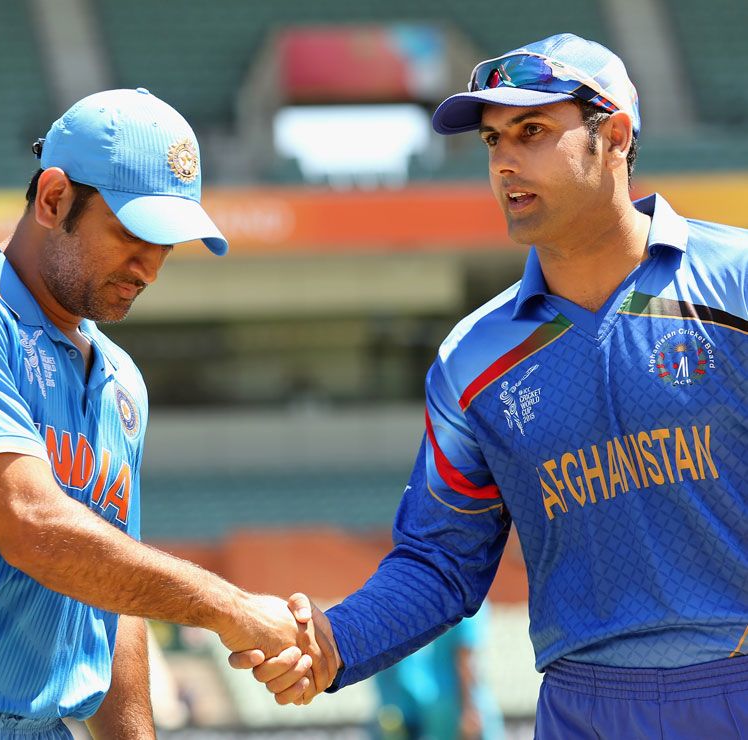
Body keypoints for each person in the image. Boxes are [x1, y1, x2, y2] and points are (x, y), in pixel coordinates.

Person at [232, 33, 748, 737]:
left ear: (615, 137)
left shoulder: (736, 285)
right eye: (492, 140)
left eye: (532, 131)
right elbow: (442, 559)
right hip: (583, 708)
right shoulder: (472, 360)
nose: (504, 161)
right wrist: (333, 642)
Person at [0, 88, 332, 738]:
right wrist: (231, 608)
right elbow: (32, 526)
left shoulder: (121, 382)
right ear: (53, 199)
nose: (150, 268)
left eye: (168, 243)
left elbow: (110, 593)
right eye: (133, 232)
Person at [374, 601, 503, 740]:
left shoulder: (442, 601)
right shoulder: (472, 604)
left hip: (437, 697)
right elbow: (465, 662)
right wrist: (469, 707)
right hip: (459, 699)